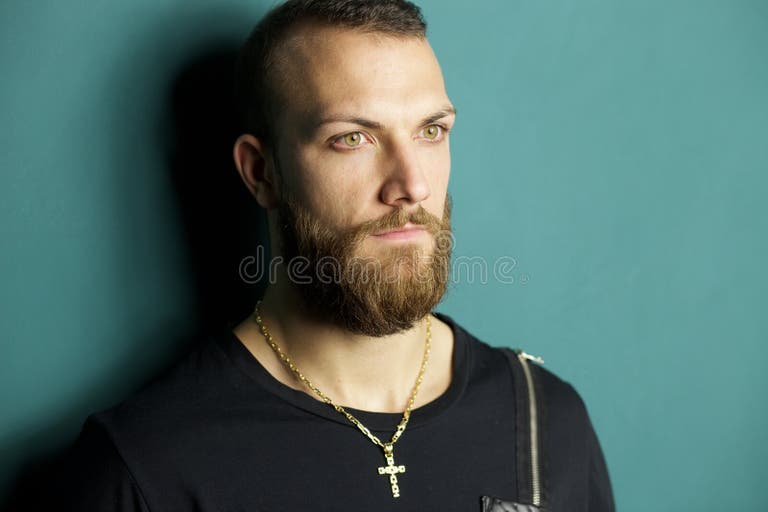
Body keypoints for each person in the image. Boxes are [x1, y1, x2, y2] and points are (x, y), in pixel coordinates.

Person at [55, 1, 615, 511]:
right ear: (261, 172)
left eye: (431, 130)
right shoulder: (143, 469)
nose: (412, 185)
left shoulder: (547, 422)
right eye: (353, 138)